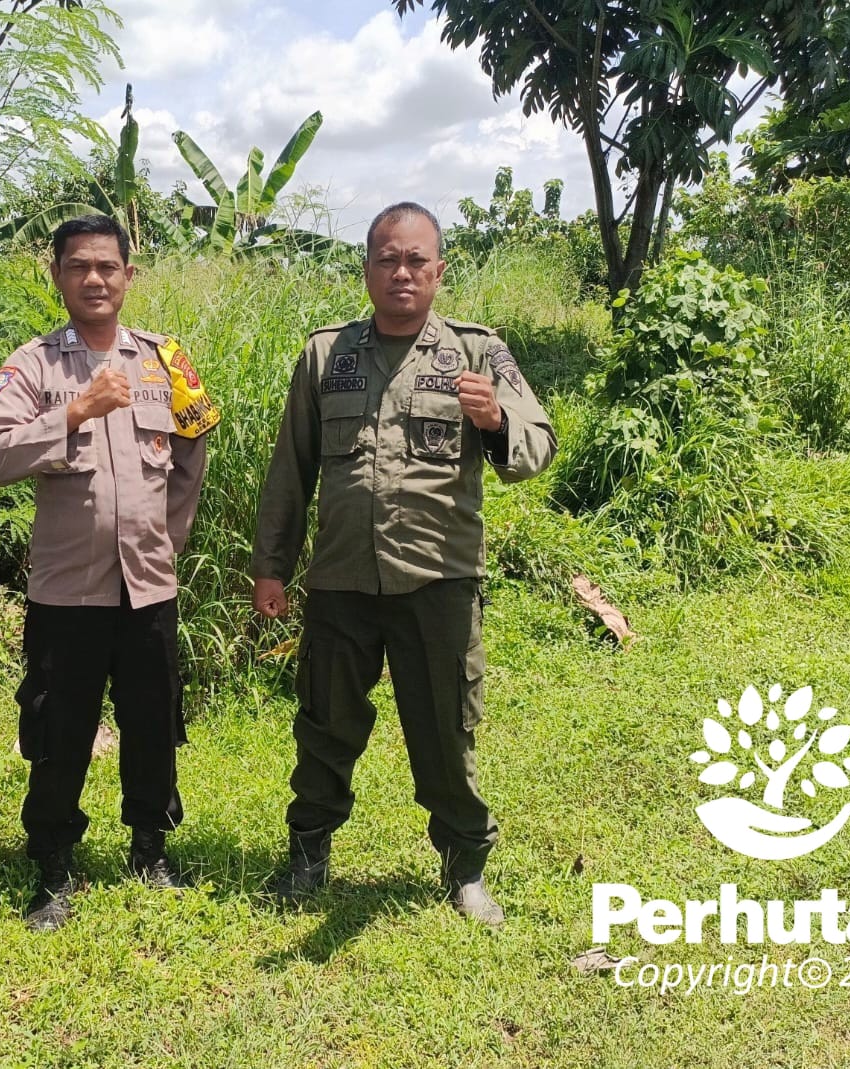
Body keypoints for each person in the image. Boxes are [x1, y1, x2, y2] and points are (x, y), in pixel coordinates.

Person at [250, 202, 555, 925]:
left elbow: (538, 445)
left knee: (445, 729)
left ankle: (465, 867)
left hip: (438, 579)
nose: (402, 273)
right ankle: (308, 853)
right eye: (387, 259)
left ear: (439, 271)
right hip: (341, 579)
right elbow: (291, 468)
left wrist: (495, 420)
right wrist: (271, 565)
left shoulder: (478, 352)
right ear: (366, 270)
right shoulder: (326, 354)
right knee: (325, 726)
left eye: (417, 260)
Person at [0, 214, 217, 931]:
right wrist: (75, 413)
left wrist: (166, 541)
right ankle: (53, 865)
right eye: (78, 266)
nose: (94, 278)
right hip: (67, 591)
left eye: (107, 266)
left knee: (153, 721)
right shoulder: (33, 366)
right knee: (60, 728)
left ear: (128, 276)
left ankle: (150, 848)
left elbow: (192, 455)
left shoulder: (165, 360)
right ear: (56, 274)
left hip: (148, 585)